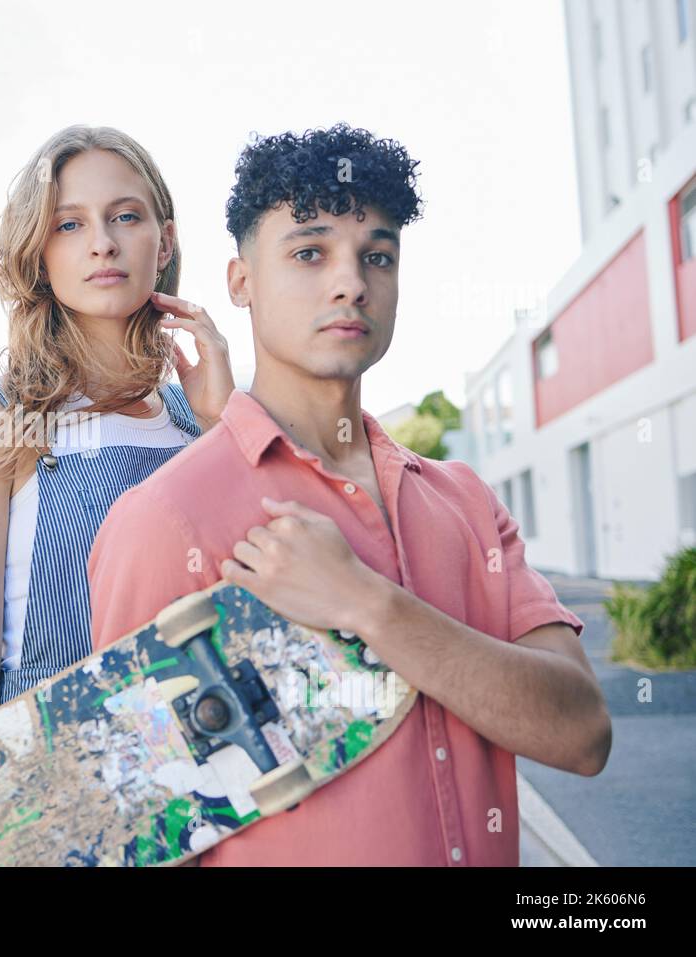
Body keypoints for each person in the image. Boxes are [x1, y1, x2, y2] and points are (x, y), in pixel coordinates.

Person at [87, 124, 612, 866]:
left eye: (378, 256)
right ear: (241, 282)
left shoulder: (461, 500)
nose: (351, 283)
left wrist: (366, 604)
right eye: (310, 252)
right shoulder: (166, 519)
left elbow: (582, 732)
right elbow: (133, 831)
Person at [0, 126, 234, 734]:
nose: (102, 244)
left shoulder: (206, 421)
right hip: (54, 791)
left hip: (213, 788)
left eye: (125, 216)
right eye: (70, 225)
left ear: (165, 241)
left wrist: (225, 429)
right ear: (40, 254)